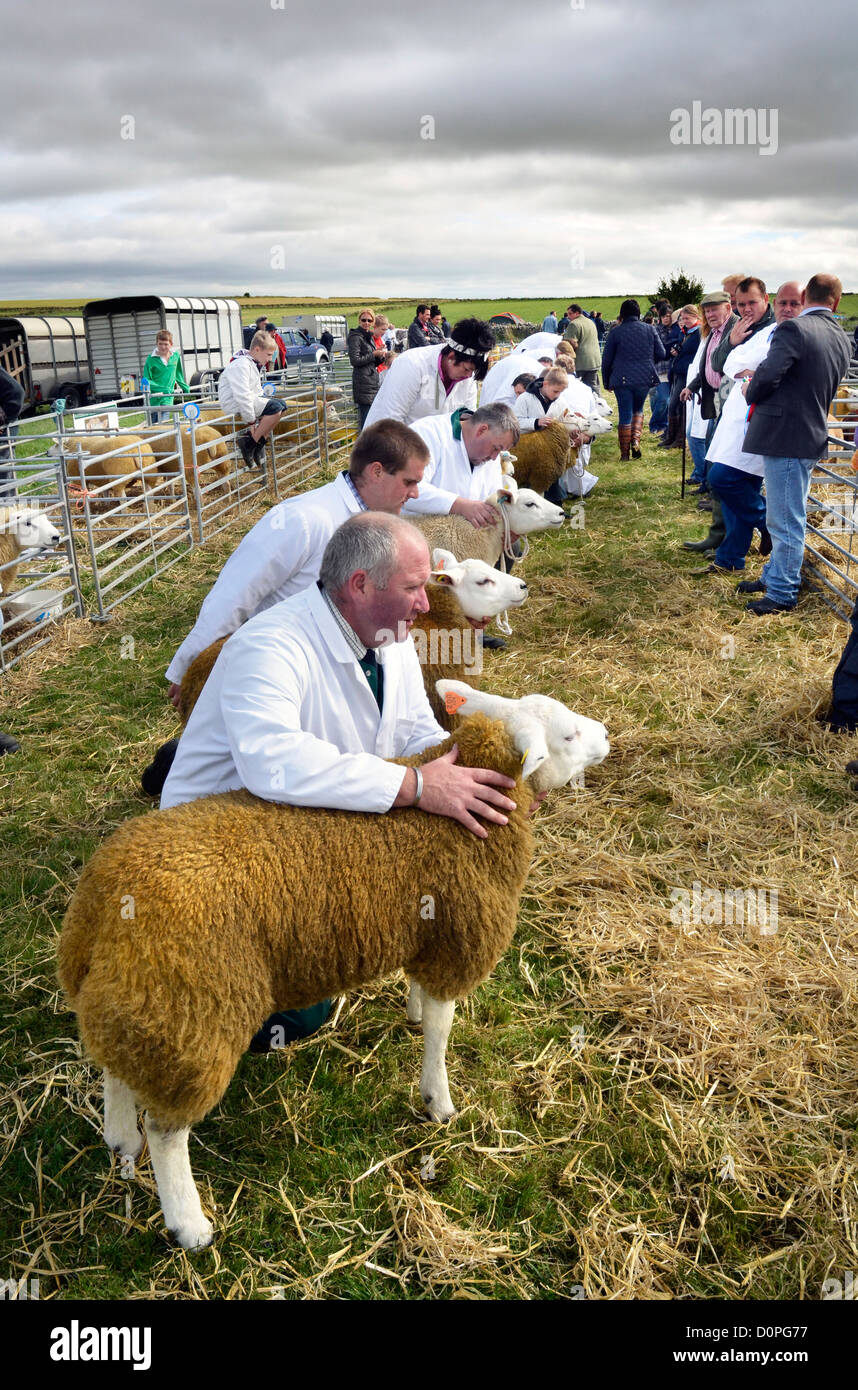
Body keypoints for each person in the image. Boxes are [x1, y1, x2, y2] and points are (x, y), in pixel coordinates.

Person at [161, 513, 518, 1051]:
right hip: (222, 845)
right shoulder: (270, 645)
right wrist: (417, 786)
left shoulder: (390, 636)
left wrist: (473, 768)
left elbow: (416, 726)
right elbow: (273, 761)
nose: (426, 604)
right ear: (360, 585)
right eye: (413, 588)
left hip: (305, 824)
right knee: (294, 1009)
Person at [164, 421, 429, 696]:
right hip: (273, 668)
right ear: (377, 472)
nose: (415, 494)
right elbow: (236, 593)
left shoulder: (378, 526)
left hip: (328, 671)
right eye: (408, 482)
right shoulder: (304, 519)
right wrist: (189, 669)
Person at [740, 273, 851, 614]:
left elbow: (768, 376)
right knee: (787, 513)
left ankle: (782, 592)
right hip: (809, 431)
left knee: (784, 519)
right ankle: (775, 575)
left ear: (805, 298)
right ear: (836, 302)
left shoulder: (794, 330)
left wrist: (749, 388)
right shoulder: (840, 335)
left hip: (786, 434)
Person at [687, 282, 802, 579]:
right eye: (742, 304)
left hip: (757, 418)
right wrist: (737, 352)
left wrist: (752, 372)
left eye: (752, 302)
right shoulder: (758, 330)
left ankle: (766, 524)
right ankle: (730, 557)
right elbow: (727, 364)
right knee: (736, 487)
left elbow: (765, 371)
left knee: (722, 479)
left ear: (765, 300)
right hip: (737, 414)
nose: (746, 309)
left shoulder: (781, 330)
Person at [363, 318, 493, 429]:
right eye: (467, 369)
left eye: (473, 371)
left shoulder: (467, 376)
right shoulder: (411, 365)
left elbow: (467, 422)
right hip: (397, 446)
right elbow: (387, 424)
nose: (469, 376)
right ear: (452, 356)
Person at [403, 403, 519, 524]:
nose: (494, 458)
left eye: (500, 451)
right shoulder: (427, 432)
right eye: (496, 448)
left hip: (461, 533)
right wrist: (459, 505)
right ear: (482, 430)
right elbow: (406, 488)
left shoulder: (490, 455)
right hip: (411, 528)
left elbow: (493, 497)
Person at [600, 299, 667, 459]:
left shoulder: (616, 332)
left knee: (625, 413)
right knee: (638, 409)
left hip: (621, 379)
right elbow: (662, 353)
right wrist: (648, 362)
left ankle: (625, 454)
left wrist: (606, 382)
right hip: (644, 378)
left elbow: (606, 360)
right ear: (638, 313)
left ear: (622, 313)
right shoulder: (650, 329)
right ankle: (635, 441)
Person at [217, 331, 288, 469]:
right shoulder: (241, 365)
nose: (270, 359)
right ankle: (249, 444)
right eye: (268, 355)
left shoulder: (251, 363)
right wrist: (251, 421)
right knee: (275, 408)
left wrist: (263, 400)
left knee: (282, 406)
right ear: (257, 349)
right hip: (235, 403)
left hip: (248, 400)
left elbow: (256, 390)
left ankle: (258, 443)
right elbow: (242, 395)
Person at [660, 305, 701, 448]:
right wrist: (676, 350)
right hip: (678, 371)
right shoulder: (685, 332)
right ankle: (672, 437)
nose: (684, 321)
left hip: (687, 374)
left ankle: (679, 439)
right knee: (675, 405)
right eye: (682, 318)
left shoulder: (698, 333)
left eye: (687, 318)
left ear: (695, 316)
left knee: (676, 404)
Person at [348, 309, 386, 428]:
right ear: (359, 320)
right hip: (363, 383)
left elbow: (372, 363)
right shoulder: (356, 337)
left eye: (369, 320)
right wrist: (373, 354)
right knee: (366, 423)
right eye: (363, 320)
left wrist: (380, 355)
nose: (366, 323)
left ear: (373, 322)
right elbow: (355, 360)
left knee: (372, 421)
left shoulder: (368, 336)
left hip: (371, 382)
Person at [143, 330, 190, 423]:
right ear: (156, 343)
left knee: (163, 424)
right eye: (160, 344)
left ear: (171, 344)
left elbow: (178, 373)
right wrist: (162, 389)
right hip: (154, 398)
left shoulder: (175, 356)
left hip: (167, 398)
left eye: (166, 344)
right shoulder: (150, 359)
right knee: (153, 426)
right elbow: (146, 379)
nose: (163, 347)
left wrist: (184, 386)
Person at [478, 350, 547, 407]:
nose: (518, 397)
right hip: (496, 382)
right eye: (518, 393)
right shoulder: (520, 372)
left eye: (520, 393)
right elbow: (500, 402)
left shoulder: (541, 382)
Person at [513, 367, 570, 434]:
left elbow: (566, 420)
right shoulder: (524, 398)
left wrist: (571, 430)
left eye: (560, 392)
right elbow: (516, 422)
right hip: (527, 439)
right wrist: (536, 422)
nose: (557, 395)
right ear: (545, 384)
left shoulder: (561, 401)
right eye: (555, 391)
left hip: (551, 440)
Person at [648, 306, 674, 435]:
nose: (666, 318)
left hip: (673, 369)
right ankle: (655, 424)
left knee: (667, 400)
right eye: (664, 316)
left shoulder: (676, 329)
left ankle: (663, 425)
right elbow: (656, 349)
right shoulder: (656, 330)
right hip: (660, 368)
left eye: (668, 316)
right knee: (664, 398)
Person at [0, 365, 25, 500]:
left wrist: (3, 421)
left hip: (3, 432)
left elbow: (16, 392)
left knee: (4, 476)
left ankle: (7, 509)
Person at [562, 305, 601, 390]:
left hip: (580, 362)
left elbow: (569, 345)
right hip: (594, 360)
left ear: (577, 313)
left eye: (570, 314)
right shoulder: (590, 322)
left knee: (576, 388)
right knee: (593, 388)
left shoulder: (573, 324)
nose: (568, 316)